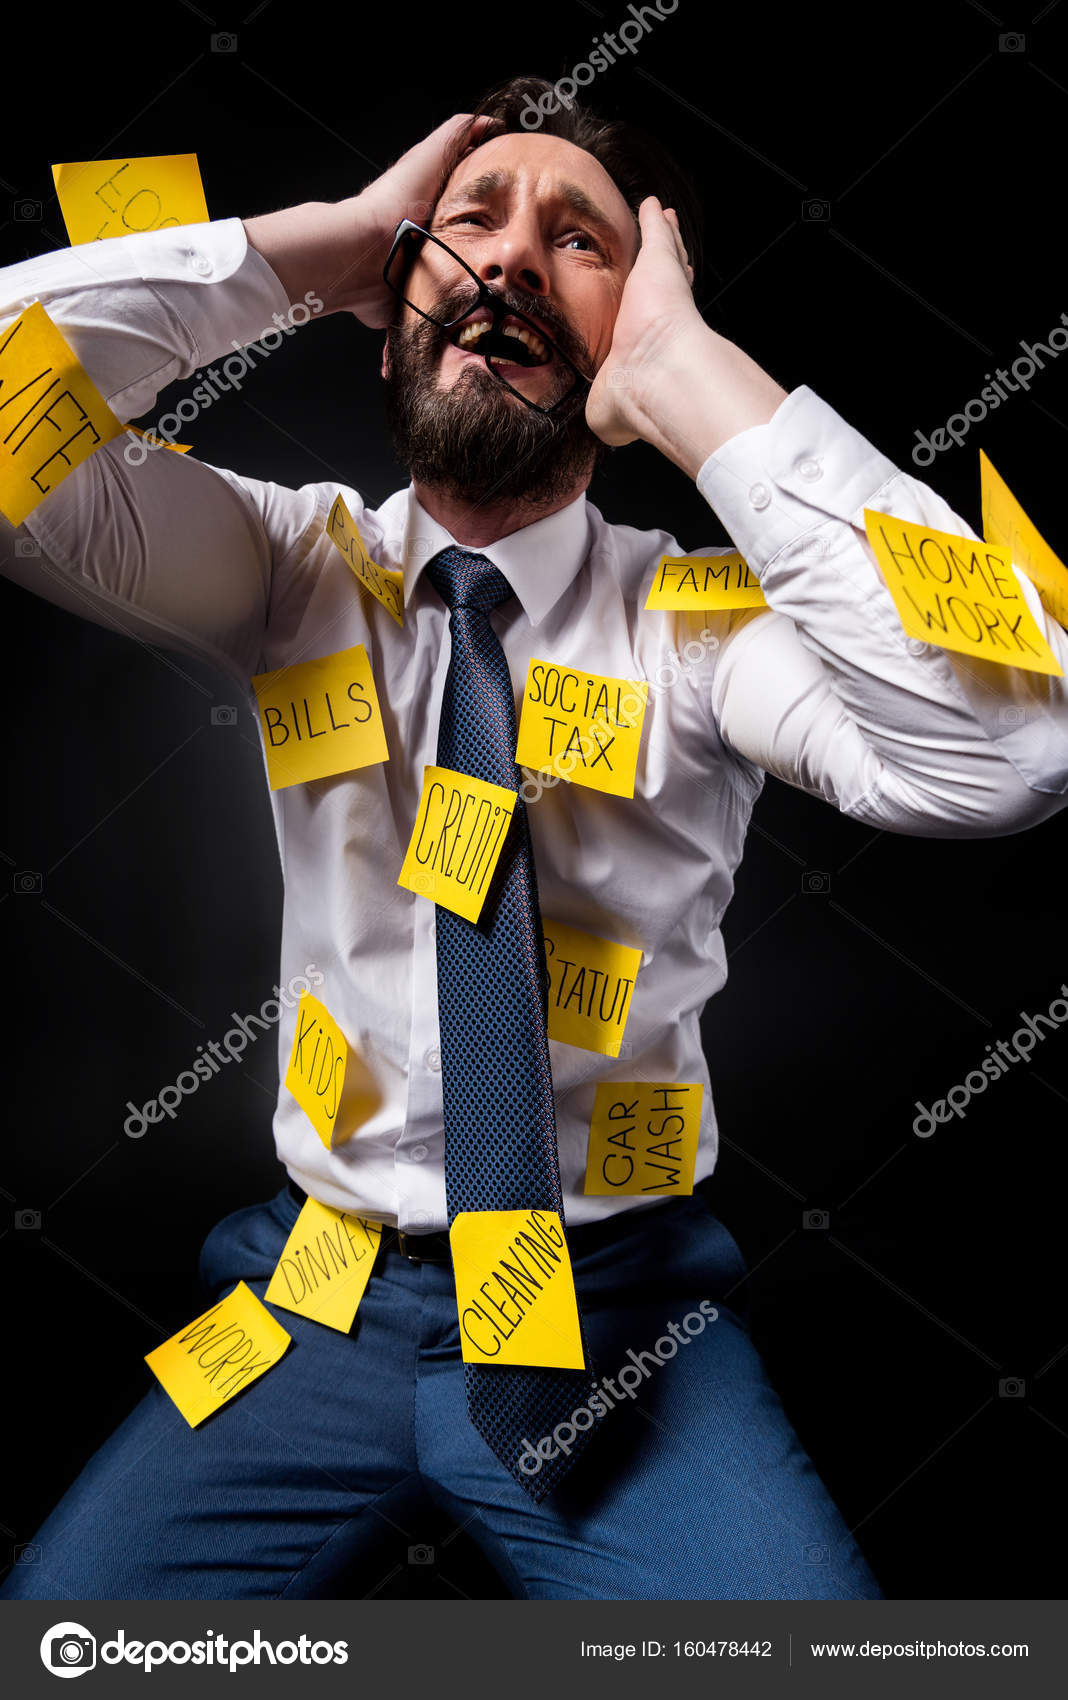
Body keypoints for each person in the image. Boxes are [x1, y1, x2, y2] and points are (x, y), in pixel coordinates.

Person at [1, 76, 1065, 1604]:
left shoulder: (700, 628)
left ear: (630, 332)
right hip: (313, 1296)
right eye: (469, 223)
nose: (507, 256)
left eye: (580, 241)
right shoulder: (286, 569)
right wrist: (318, 248)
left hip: (618, 1315)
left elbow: (1021, 745)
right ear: (393, 313)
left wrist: (693, 378)